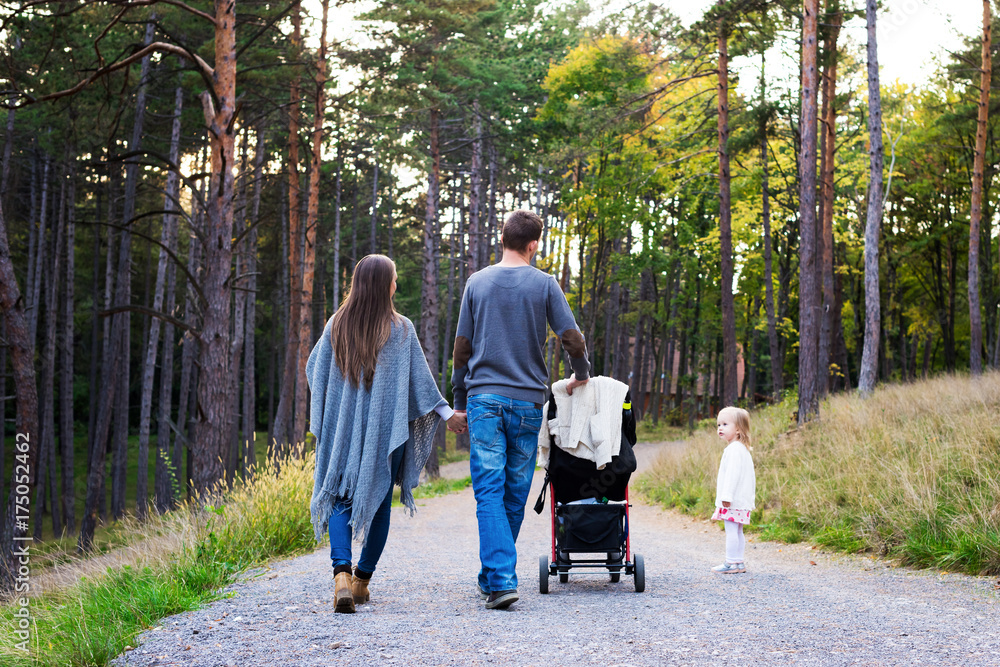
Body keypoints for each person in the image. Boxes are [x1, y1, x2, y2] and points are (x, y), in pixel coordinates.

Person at [306, 254, 467, 613]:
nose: (397, 284)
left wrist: (337, 407)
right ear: (383, 285)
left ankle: (341, 577)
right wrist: (448, 415)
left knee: (339, 498)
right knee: (379, 506)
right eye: (394, 279)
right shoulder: (401, 329)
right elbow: (422, 384)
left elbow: (314, 368)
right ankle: (362, 580)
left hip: (344, 435)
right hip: (383, 435)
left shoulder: (336, 325)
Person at [451, 209, 591, 610]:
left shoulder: (477, 283)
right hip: (529, 403)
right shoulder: (545, 284)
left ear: (502, 239)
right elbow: (573, 339)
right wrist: (580, 374)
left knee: (490, 492)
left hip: (484, 402)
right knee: (513, 492)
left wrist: (460, 403)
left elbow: (462, 350)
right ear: (534, 244)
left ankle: (496, 577)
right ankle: (497, 577)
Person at [711, 406, 756, 574]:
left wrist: (727, 495)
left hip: (732, 500)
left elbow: (732, 475)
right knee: (738, 530)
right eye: (718, 425)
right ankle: (738, 562)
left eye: (725, 424)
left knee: (732, 530)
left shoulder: (734, 450)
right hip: (741, 500)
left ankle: (730, 562)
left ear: (738, 429)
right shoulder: (741, 449)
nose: (720, 428)